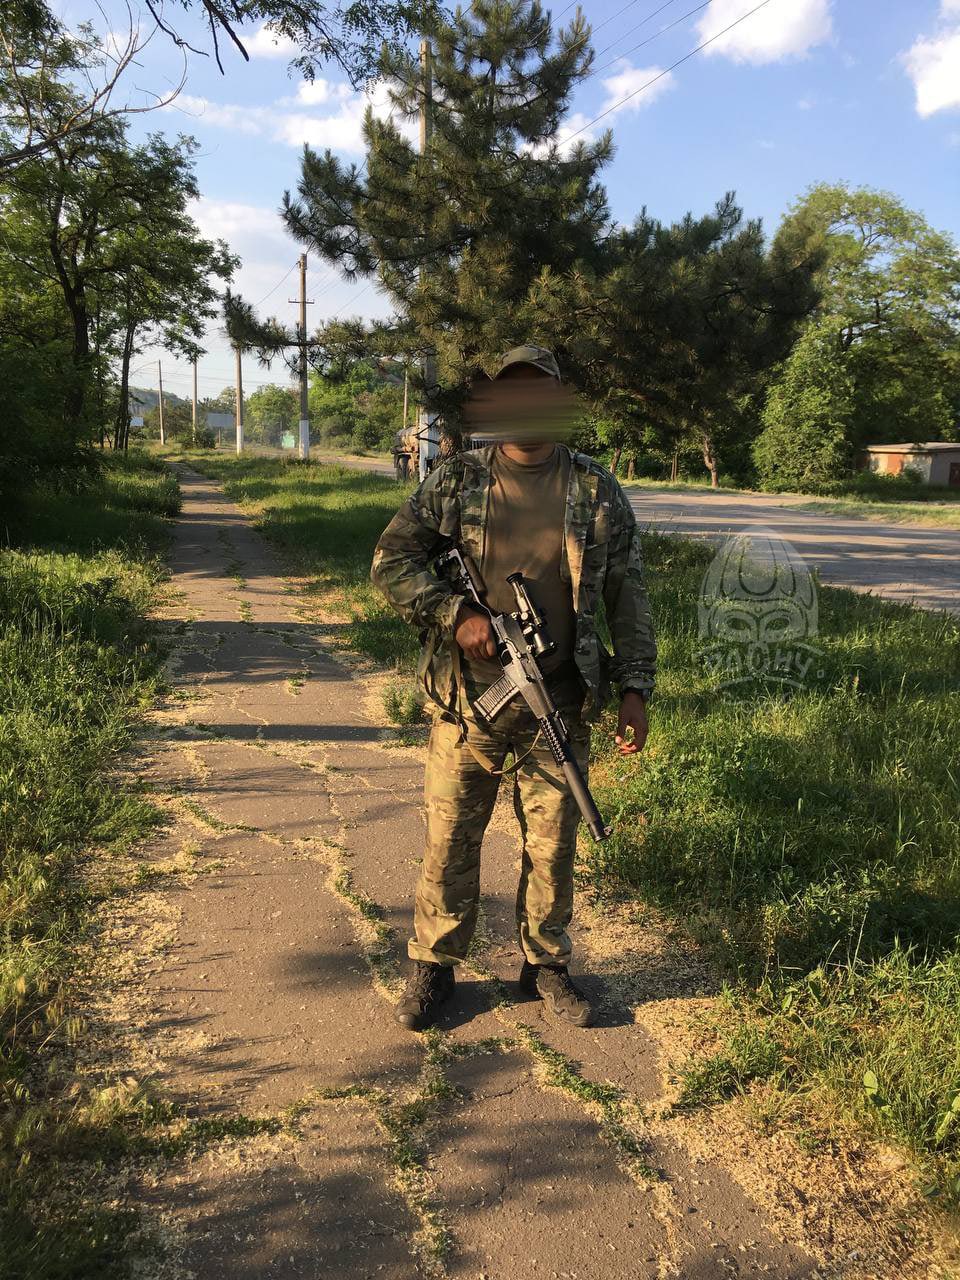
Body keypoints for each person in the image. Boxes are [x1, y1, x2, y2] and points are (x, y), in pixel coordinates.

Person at [371, 345, 656, 1031]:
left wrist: (636, 688)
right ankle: (433, 966)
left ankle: (547, 966)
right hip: (466, 700)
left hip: (558, 697)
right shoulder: (458, 480)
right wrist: (458, 613)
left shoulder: (596, 491)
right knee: (450, 839)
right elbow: (392, 559)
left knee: (555, 843)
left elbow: (629, 596)